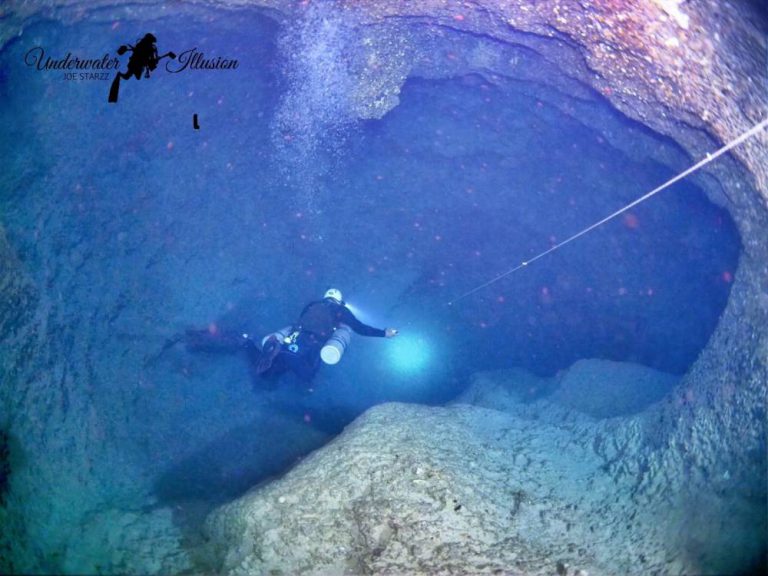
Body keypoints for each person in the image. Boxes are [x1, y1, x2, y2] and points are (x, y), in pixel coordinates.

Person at [253, 288, 397, 382]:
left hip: (295, 338)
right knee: (308, 374)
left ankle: (267, 352)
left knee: (279, 366)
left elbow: (300, 320)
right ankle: (302, 384)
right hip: (315, 344)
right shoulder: (340, 310)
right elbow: (361, 329)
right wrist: (384, 333)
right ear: (339, 301)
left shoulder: (312, 305)